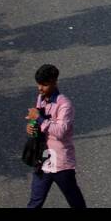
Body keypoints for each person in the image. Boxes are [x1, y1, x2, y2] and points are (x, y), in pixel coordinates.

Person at [25, 64, 87, 208]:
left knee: (75, 202)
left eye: (44, 85)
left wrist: (40, 119)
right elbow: (37, 121)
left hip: (61, 163)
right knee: (35, 202)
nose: (40, 88)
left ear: (54, 82)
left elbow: (60, 132)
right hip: (43, 159)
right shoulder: (41, 98)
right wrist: (31, 127)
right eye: (38, 84)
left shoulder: (65, 105)